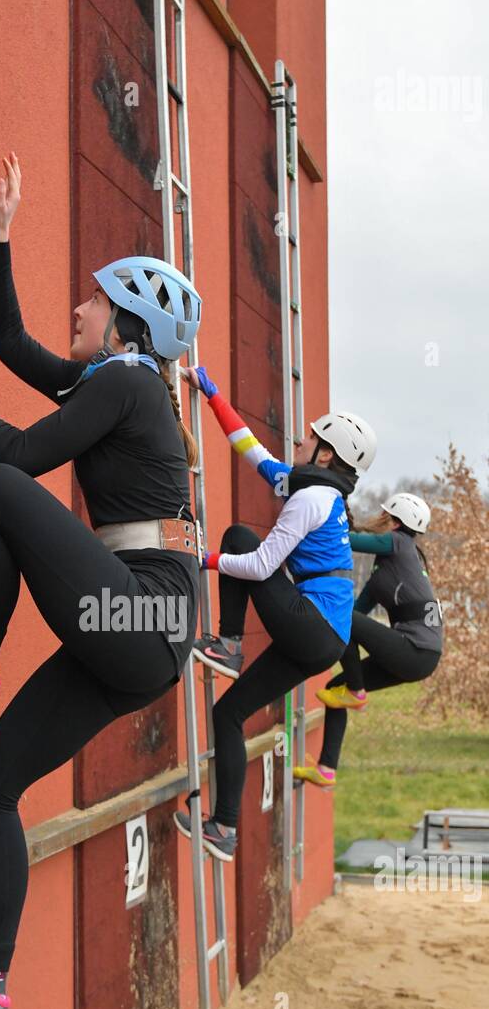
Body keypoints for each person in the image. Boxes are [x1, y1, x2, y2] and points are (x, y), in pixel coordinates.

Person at [0, 152, 203, 1009]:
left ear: (128, 322)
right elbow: (12, 342)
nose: (79, 310)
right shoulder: (114, 386)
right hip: (140, 635)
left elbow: (18, 456)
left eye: (93, 302)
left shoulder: (131, 384)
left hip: (142, 612)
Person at [172, 365, 377, 862]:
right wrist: (214, 394)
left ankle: (228, 643)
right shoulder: (312, 487)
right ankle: (224, 827)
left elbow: (262, 564)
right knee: (229, 713)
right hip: (320, 637)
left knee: (240, 539)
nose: (301, 441)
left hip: (314, 625)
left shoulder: (310, 497)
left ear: (326, 454)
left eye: (310, 438)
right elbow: (252, 451)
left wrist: (201, 558)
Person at [294, 492, 443, 789]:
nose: (379, 516)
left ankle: (357, 691)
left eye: (384, 513)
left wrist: (309, 528)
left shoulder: (399, 543)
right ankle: (326, 769)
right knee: (335, 688)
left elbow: (348, 541)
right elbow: (352, 618)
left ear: (394, 520)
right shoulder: (382, 573)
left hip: (416, 650)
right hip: (420, 656)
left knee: (343, 615)